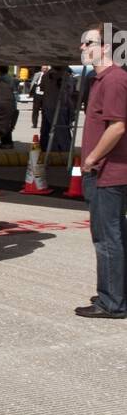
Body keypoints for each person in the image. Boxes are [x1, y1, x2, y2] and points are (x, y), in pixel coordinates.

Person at [75, 22, 127, 318]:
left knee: (108, 237)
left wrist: (92, 158)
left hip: (108, 174)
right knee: (113, 235)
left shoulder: (115, 80)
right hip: (104, 172)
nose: (83, 48)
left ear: (106, 47)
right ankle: (116, 293)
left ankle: (111, 302)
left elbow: (118, 126)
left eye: (89, 42)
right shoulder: (99, 80)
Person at [0, 66, 18, 148]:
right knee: (6, 125)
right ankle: (6, 142)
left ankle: (4, 143)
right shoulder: (6, 81)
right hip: (10, 105)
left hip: (1, 107)